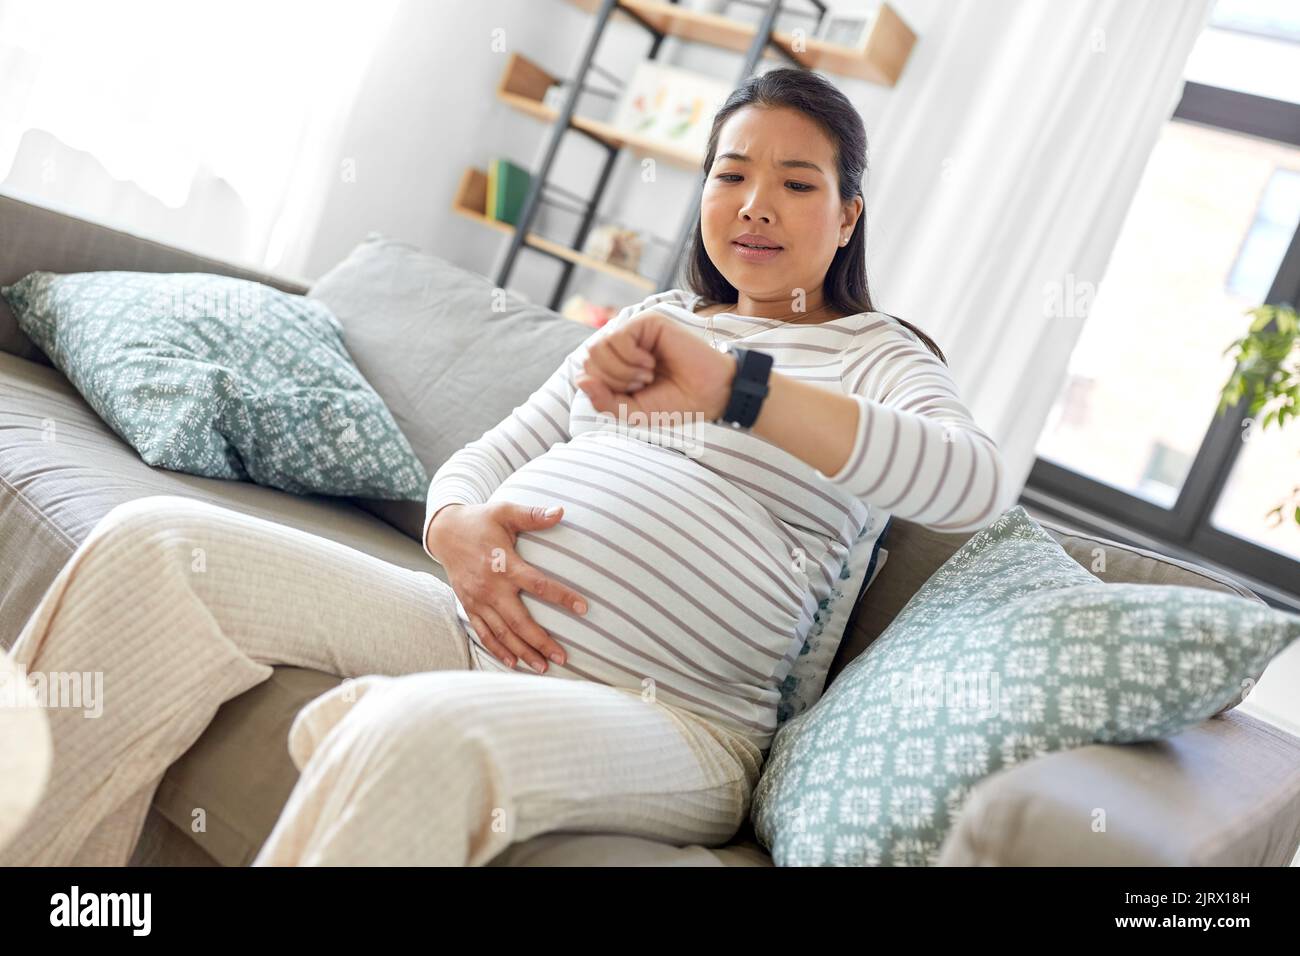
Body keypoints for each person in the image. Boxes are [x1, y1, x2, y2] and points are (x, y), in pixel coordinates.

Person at [0, 67, 1008, 867]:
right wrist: (456, 531)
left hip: (671, 716)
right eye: (730, 172)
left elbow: (970, 483)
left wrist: (736, 388)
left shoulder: (880, 356)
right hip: (464, 618)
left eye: (797, 183)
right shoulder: (658, 324)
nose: (754, 204)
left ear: (846, 216)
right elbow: (487, 458)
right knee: (154, 547)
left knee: (418, 734)